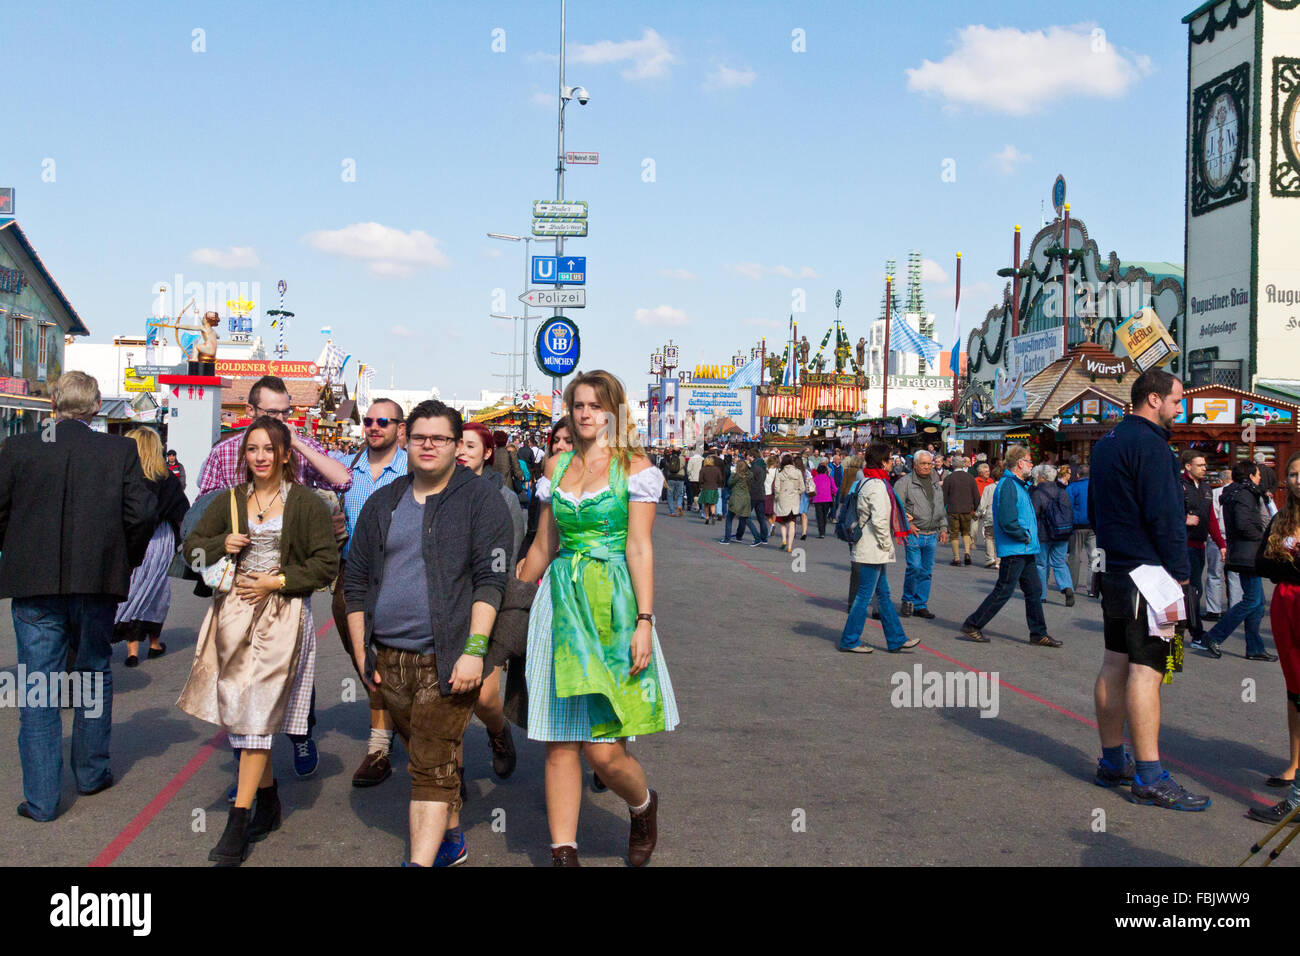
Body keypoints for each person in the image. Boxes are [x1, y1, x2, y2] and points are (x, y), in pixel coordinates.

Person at [516, 370, 679, 867]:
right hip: (558, 605)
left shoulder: (634, 467)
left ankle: (643, 805)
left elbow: (639, 547)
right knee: (560, 740)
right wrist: (502, 606)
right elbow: (544, 545)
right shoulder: (557, 464)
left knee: (602, 751)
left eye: (595, 404)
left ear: (613, 410)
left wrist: (645, 622)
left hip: (612, 606)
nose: (585, 413)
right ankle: (563, 851)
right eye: (578, 404)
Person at [344, 400, 513, 867]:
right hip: (388, 659)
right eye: (420, 437)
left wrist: (475, 652)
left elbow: (491, 580)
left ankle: (418, 863)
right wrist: (362, 651)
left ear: (458, 446)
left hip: (449, 657)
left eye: (439, 438)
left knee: (430, 769)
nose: (428, 446)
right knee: (428, 759)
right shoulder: (385, 501)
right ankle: (453, 839)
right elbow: (355, 580)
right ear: (405, 440)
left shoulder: (481, 501)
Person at [178, 416, 340, 863]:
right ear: (244, 455)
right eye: (253, 449)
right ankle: (267, 799)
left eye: (269, 449)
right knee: (241, 712)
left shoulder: (306, 503)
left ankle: (239, 819)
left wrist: (278, 581)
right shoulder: (228, 500)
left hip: (283, 618)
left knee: (257, 713)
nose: (261, 457)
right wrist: (219, 543)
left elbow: (326, 564)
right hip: (231, 617)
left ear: (286, 454)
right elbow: (190, 548)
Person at [0, 372, 154, 822]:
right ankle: (90, 774)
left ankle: (43, 801)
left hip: (34, 584)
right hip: (96, 582)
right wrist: (123, 559)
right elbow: (141, 513)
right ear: (96, 407)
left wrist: (16, 552)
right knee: (91, 673)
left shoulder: (19, 448)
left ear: (53, 403)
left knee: (39, 688)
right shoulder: (119, 450)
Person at [199, 375, 352, 781]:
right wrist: (223, 539)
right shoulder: (225, 452)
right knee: (238, 672)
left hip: (288, 579)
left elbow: (342, 479)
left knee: (291, 666)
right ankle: (247, 764)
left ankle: (300, 731)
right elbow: (202, 511)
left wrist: (294, 442)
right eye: (273, 413)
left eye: (287, 412)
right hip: (239, 585)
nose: (283, 419)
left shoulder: (296, 449)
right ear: (250, 412)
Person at [1088, 368, 1209, 811]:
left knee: (1114, 663)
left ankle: (1112, 760)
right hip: (1149, 574)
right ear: (1154, 399)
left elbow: (1095, 510)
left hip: (1117, 570)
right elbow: (1166, 517)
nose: (1180, 410)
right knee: (1147, 670)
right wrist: (1181, 575)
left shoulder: (1108, 443)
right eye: (1177, 401)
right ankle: (1150, 775)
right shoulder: (1154, 447)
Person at [329, 399, 409, 787]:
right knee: (363, 658)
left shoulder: (413, 469)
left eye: (383, 421)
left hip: (400, 575)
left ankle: (381, 746)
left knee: (400, 658)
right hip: (352, 575)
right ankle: (393, 730)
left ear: (400, 428)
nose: (373, 426)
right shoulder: (346, 470)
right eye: (368, 420)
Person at [454, 420, 525, 800]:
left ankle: (498, 733)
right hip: (446, 607)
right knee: (449, 699)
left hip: (489, 606)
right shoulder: (438, 492)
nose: (462, 451)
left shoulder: (505, 499)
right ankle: (454, 775)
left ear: (486, 454)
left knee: (482, 696)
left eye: (471, 446)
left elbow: (507, 558)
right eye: (458, 444)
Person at [960, 446, 1059, 647]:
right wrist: (1022, 536)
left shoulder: (1017, 484)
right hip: (1017, 548)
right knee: (1004, 589)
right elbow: (1007, 519)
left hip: (1024, 548)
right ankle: (973, 624)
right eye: (1030, 461)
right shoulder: (1008, 485)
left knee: (1033, 590)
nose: (1032, 465)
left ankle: (1038, 632)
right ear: (1020, 463)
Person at [1251, 451, 1300, 819]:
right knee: (1294, 689)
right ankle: (1295, 764)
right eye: (1294, 474)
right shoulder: (1283, 517)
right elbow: (1261, 563)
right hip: (1285, 601)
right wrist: (1286, 560)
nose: (1298, 480)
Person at [116, 427, 189, 667]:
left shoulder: (124, 477)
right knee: (157, 591)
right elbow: (182, 513)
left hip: (131, 538)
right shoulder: (167, 478)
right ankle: (154, 643)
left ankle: (132, 649)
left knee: (133, 588)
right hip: (160, 540)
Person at [839, 442, 920, 654]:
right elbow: (880, 520)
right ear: (883, 461)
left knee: (883, 594)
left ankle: (896, 638)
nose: (892, 462)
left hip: (867, 546)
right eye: (890, 458)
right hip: (872, 548)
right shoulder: (877, 485)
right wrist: (887, 545)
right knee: (864, 596)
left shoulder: (867, 480)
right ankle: (850, 639)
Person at [1194, 460, 1277, 662]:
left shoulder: (1234, 492)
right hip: (1248, 553)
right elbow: (1242, 523)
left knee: (1256, 603)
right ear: (1250, 475)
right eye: (1257, 474)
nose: (1259, 478)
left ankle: (1255, 647)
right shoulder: (1246, 494)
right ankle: (1213, 637)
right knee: (1252, 601)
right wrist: (1261, 536)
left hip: (1242, 552)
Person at [892, 450, 948, 619]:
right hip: (914, 533)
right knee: (914, 568)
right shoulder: (904, 483)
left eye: (929, 463)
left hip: (931, 534)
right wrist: (907, 524)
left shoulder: (935, 482)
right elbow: (896, 506)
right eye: (923, 463)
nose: (926, 467)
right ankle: (908, 600)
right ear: (915, 465)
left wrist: (944, 528)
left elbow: (940, 507)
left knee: (926, 571)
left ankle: (920, 604)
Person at [521, 418, 575, 557]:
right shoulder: (543, 485)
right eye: (556, 440)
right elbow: (533, 532)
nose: (559, 446)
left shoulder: (594, 488)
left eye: (568, 441)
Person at [1180, 451, 1214, 646]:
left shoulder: (1206, 488)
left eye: (1204, 464)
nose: (1204, 468)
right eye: (1200, 465)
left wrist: (1221, 544)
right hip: (1184, 544)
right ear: (1188, 467)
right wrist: (1184, 519)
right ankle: (1197, 633)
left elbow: (1210, 518)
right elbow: (1167, 513)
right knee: (1192, 588)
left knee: (1193, 589)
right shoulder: (1178, 486)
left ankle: (1183, 624)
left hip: (1199, 545)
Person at [1030, 463, 1075, 606]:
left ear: (1042, 477)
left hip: (1043, 533)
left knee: (1041, 564)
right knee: (1060, 562)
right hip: (1062, 532)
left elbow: (1034, 514)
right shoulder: (1062, 492)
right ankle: (1066, 586)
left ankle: (1041, 594)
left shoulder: (1037, 493)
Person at [942, 455, 979, 566]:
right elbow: (976, 495)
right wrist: (976, 508)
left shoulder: (949, 478)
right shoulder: (970, 478)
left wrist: (942, 510)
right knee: (966, 532)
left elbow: (944, 496)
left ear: (953, 464)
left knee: (954, 533)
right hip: (967, 509)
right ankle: (967, 552)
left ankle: (957, 558)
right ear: (963, 464)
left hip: (953, 509)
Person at [1066, 463, 1096, 597]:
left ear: (1078, 475)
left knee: (1075, 555)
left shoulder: (1072, 487)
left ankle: (1072, 585)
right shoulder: (1096, 487)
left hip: (1077, 526)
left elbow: (1067, 506)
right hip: (1094, 526)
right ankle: (1093, 587)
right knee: (1095, 557)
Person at [720, 457, 759, 544]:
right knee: (746, 519)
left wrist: (733, 473)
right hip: (746, 497)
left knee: (729, 518)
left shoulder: (736, 475)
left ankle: (727, 538)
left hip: (737, 497)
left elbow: (729, 483)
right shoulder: (749, 474)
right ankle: (757, 537)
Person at [773, 454, 804, 553]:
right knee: (792, 523)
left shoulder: (780, 473)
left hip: (783, 499)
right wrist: (796, 493)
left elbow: (777, 488)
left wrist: (777, 498)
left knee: (782, 522)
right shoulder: (798, 472)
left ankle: (784, 540)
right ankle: (790, 546)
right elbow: (802, 488)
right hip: (794, 500)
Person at [976, 462, 1002, 570]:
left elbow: (983, 503)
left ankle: (990, 557)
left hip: (991, 516)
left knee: (989, 537)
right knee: (1000, 539)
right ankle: (999, 561)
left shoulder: (989, 488)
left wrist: (978, 513)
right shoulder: (1006, 487)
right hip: (1003, 517)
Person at [747, 451, 769, 546]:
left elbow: (749, 480)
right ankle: (764, 538)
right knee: (761, 518)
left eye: (748, 455)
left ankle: (757, 537)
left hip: (753, 494)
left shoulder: (754, 467)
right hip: (761, 493)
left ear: (751, 456)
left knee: (745, 516)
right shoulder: (763, 465)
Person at [811, 463, 838, 538]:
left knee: (819, 516)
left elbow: (812, 489)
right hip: (827, 499)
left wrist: (810, 499)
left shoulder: (815, 479)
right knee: (824, 515)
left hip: (817, 499)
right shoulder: (829, 478)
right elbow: (834, 489)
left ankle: (821, 532)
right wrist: (834, 494)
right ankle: (823, 530)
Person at [698, 455, 723, 525]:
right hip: (714, 487)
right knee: (713, 503)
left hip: (706, 488)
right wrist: (717, 483)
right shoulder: (717, 469)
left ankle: (707, 517)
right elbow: (720, 479)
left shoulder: (703, 469)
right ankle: (713, 514)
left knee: (706, 504)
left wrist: (701, 485)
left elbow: (700, 479)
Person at [663, 445, 687, 516]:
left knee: (670, 494)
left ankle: (672, 511)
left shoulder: (670, 457)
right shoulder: (682, 458)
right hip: (680, 477)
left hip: (671, 477)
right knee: (680, 494)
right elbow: (683, 466)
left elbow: (667, 465)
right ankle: (679, 505)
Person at [798, 455, 815, 541]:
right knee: (804, 514)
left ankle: (792, 532)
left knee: (793, 515)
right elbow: (811, 480)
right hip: (805, 494)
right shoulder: (806, 472)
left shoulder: (795, 471)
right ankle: (804, 532)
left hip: (796, 494)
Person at [686, 447, 704, 513]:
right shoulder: (703, 459)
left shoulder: (691, 459)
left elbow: (688, 469)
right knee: (700, 493)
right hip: (701, 479)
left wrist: (689, 476)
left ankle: (697, 506)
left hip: (693, 479)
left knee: (695, 493)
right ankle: (700, 506)